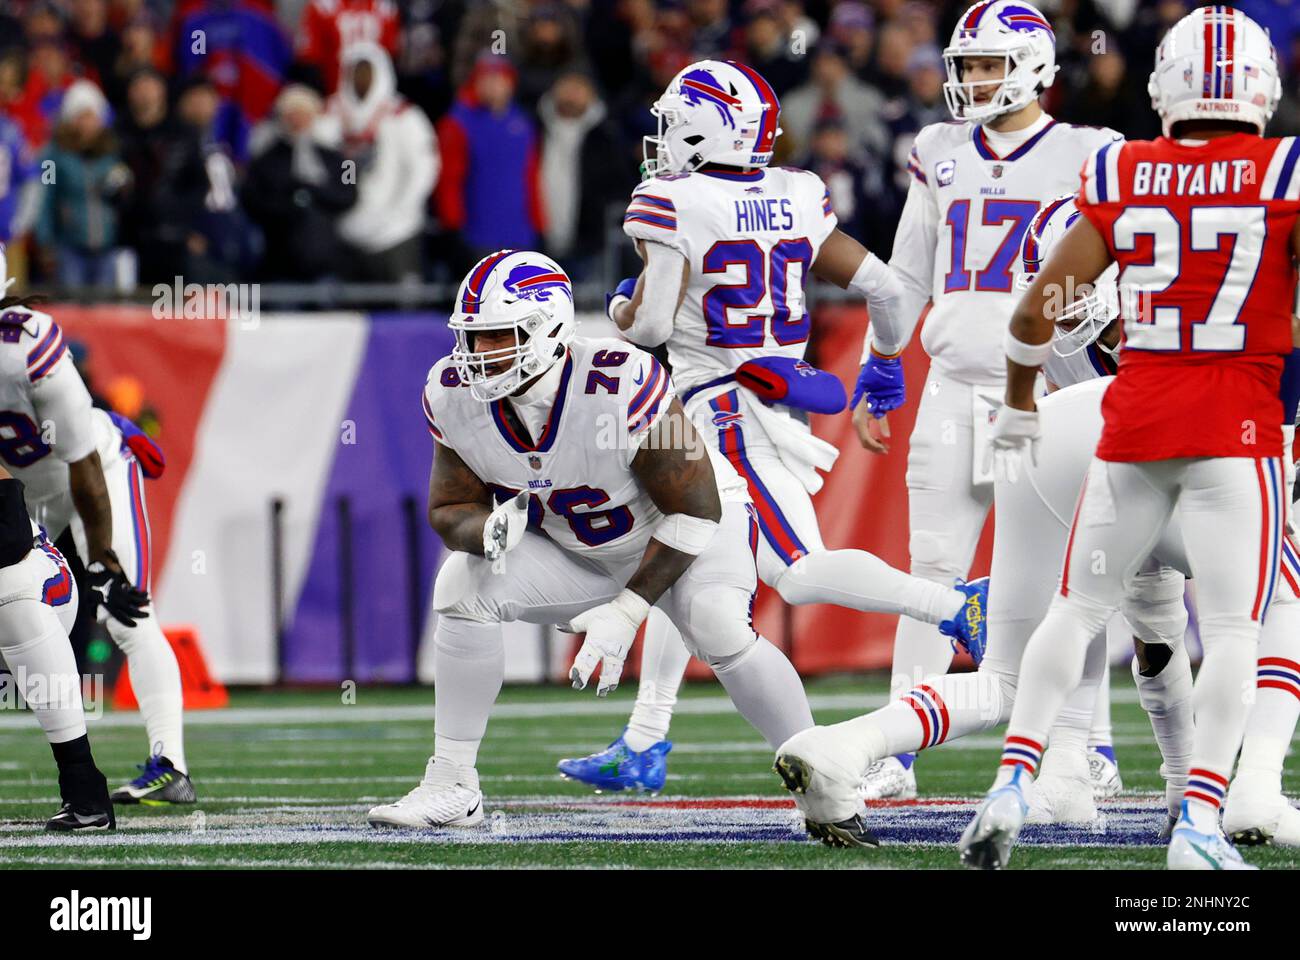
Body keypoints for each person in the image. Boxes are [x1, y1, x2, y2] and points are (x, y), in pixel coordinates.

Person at [553, 61, 985, 814]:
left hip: (720, 407)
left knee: (795, 569)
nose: (659, 139)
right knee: (683, 555)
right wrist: (884, 368)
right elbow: (883, 287)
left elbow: (651, 325)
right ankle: (646, 739)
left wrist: (622, 310)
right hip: (761, 399)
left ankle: (953, 609)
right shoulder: (797, 190)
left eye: (671, 122)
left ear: (702, 127)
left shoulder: (671, 199)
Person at [955, 5, 1297, 870]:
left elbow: (1037, 312)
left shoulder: (1121, 167)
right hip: (1236, 430)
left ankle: (1012, 784)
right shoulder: (1288, 171)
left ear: (1164, 84)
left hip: (1134, 424)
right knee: (1231, 632)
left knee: (1075, 612)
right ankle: (1199, 825)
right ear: (1263, 85)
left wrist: (1024, 404)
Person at [771, 197, 1200, 845]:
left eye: (1075, 285)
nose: (1062, 304)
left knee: (1036, 655)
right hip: (1118, 450)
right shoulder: (1177, 303)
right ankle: (1196, 791)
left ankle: (849, 746)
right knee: (1247, 607)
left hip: (1060, 445)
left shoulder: (1130, 303)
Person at [366, 250, 815, 829]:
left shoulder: (623, 376)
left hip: (694, 529)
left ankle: (821, 766)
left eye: (498, 337)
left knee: (715, 625)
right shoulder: (452, 393)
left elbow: (697, 507)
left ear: (548, 330)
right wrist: (487, 530)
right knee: (461, 584)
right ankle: (452, 783)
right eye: (472, 339)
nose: (479, 356)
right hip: (582, 547)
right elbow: (450, 506)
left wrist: (628, 613)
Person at [850, 0, 1123, 802]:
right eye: (964, 64)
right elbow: (905, 271)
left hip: (1051, 391)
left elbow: (1119, 262)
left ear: (1036, 64)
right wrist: (881, 360)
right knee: (932, 572)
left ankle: (1089, 746)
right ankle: (896, 751)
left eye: (987, 64)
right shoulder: (937, 148)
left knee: (1076, 577)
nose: (972, 79)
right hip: (955, 382)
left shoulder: (1089, 151)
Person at [0, 245, 195, 805]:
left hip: (94, 471)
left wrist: (101, 556)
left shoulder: (25, 341)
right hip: (27, 491)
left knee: (124, 609)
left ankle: (172, 765)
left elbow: (82, 460)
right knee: (16, 602)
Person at [325, 42, 438, 283]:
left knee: (402, 314)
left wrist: (400, 211)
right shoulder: (331, 114)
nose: (362, 79)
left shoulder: (404, 115)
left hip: (396, 234)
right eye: (356, 71)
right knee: (351, 316)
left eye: (368, 72)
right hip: (346, 234)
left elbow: (424, 169)